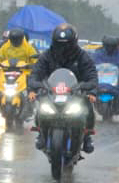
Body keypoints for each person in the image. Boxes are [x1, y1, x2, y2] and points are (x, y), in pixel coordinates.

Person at [29, 22, 98, 154]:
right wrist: (35, 87)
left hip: (75, 93)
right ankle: (40, 131)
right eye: (59, 43)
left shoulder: (82, 56)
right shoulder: (47, 55)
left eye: (66, 44)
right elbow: (35, 74)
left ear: (73, 42)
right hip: (52, 92)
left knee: (88, 104)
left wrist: (90, 90)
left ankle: (87, 136)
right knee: (40, 104)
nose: (63, 47)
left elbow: (92, 76)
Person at [0, 28, 39, 103]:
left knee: (31, 81)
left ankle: (30, 96)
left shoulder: (28, 47)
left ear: (21, 39)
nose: (15, 42)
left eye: (17, 40)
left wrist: (34, 65)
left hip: (24, 71)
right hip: (7, 70)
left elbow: (35, 58)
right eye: (13, 40)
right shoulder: (6, 46)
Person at [92, 36, 119, 105]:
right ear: (104, 45)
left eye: (112, 46)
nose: (110, 48)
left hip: (115, 76)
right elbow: (94, 62)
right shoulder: (98, 53)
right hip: (101, 75)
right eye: (108, 46)